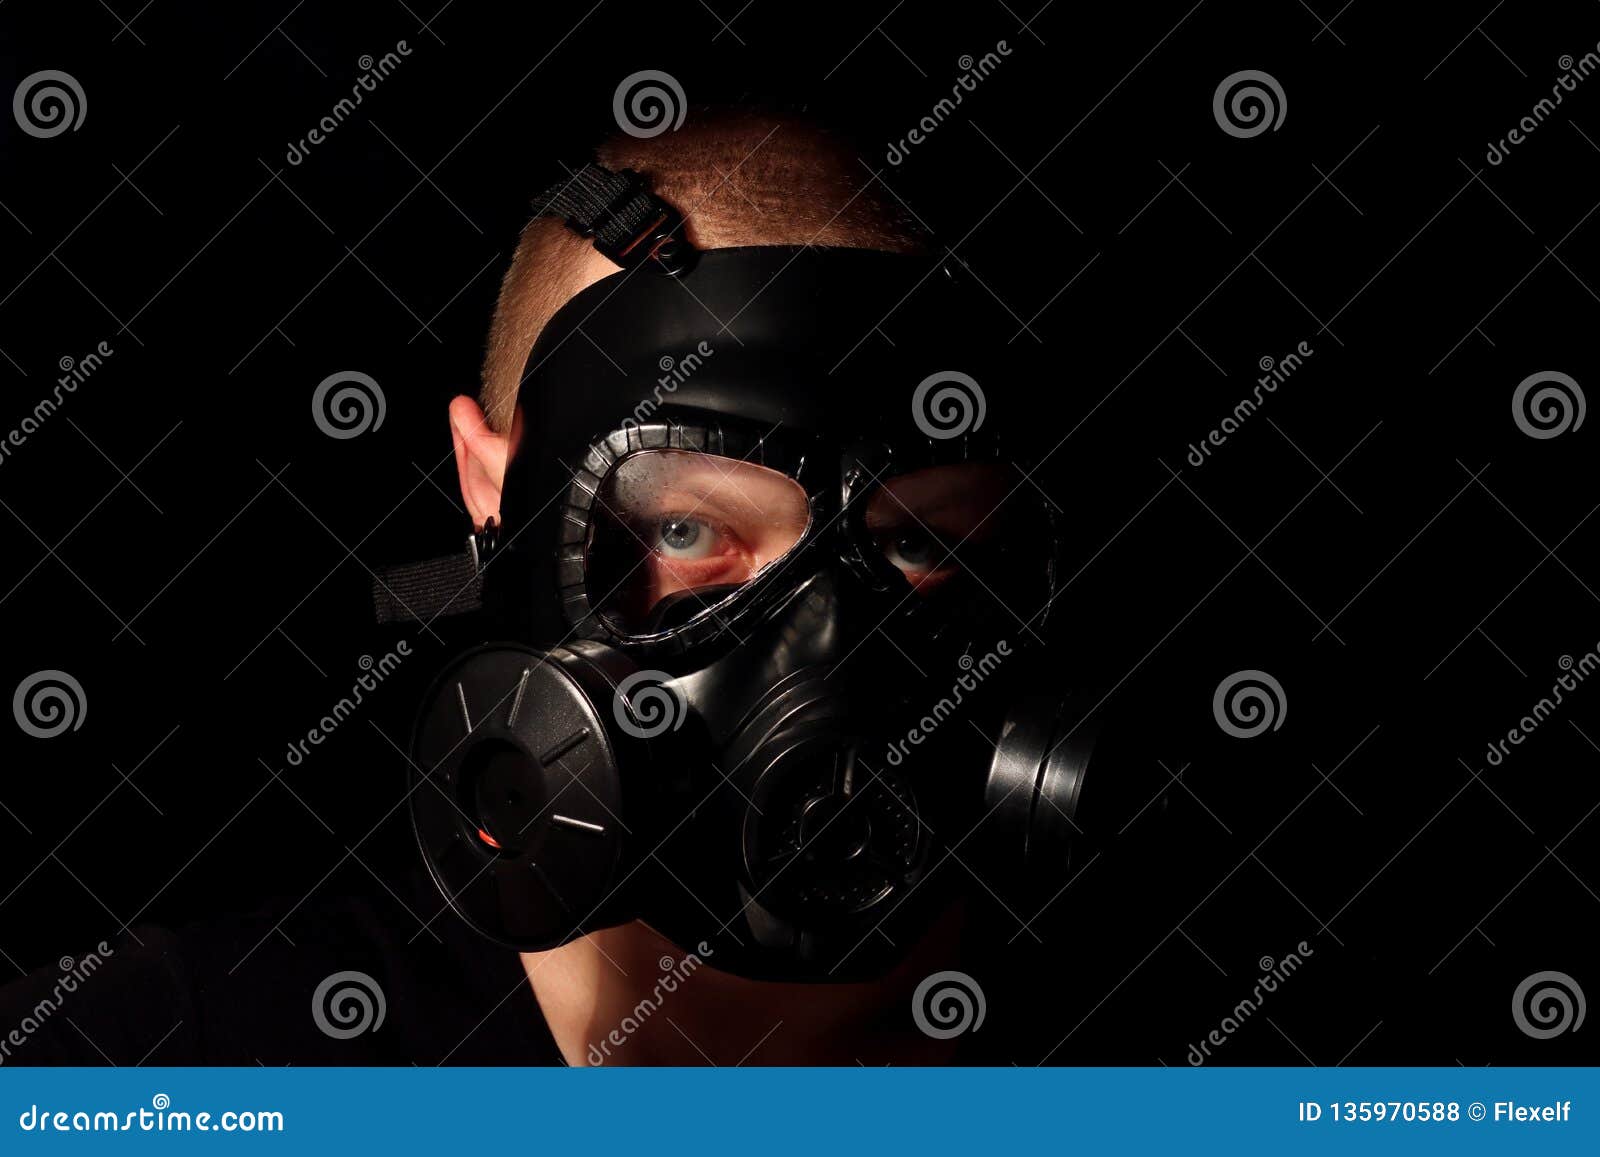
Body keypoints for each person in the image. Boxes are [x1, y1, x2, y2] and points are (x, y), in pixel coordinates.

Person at [0, 108, 1083, 1066]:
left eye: (916, 543)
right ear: (491, 492)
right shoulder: (156, 1063)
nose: (822, 653)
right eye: (683, 525)